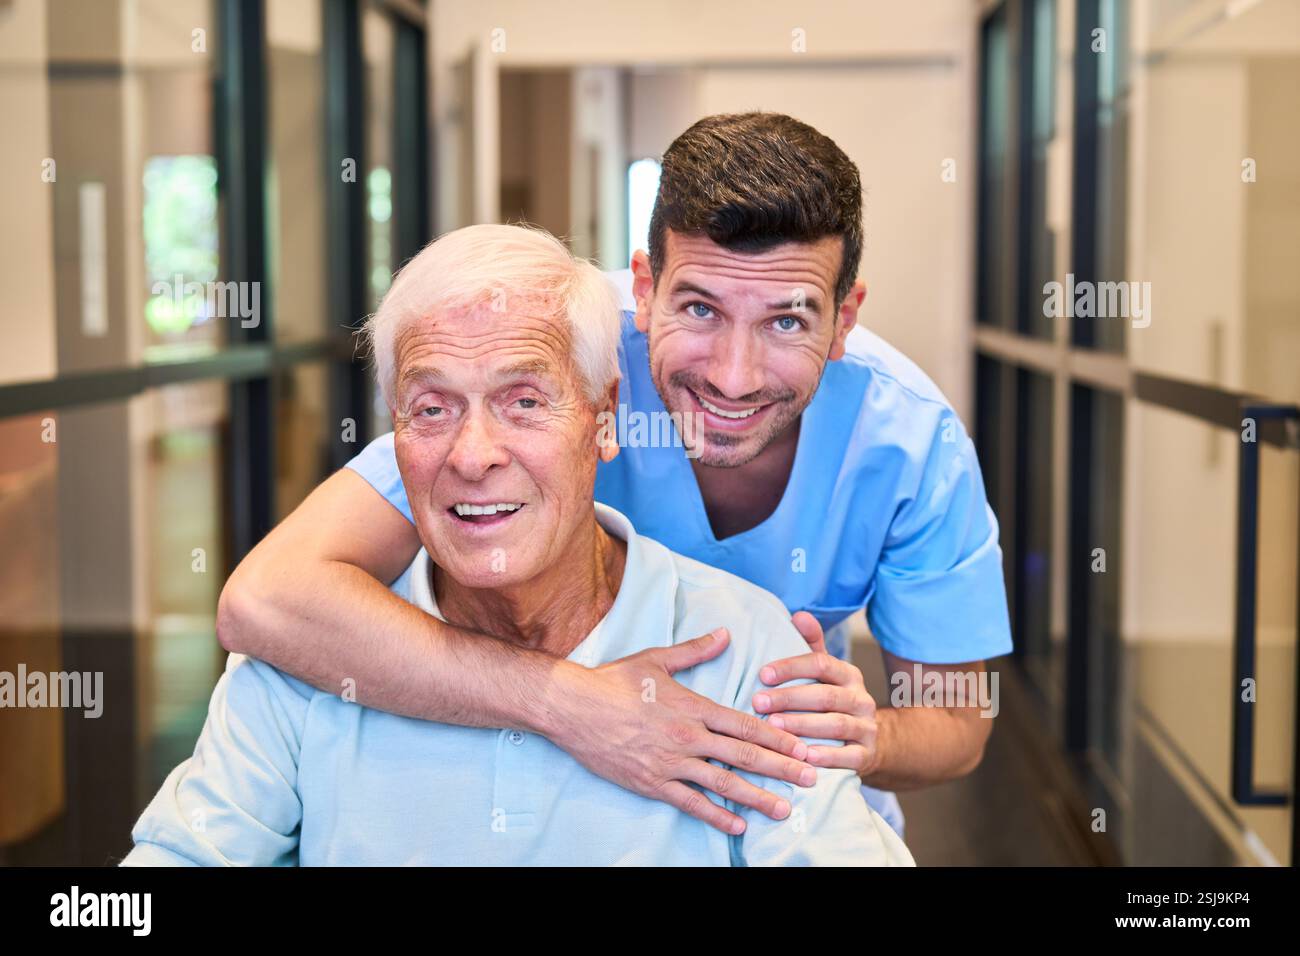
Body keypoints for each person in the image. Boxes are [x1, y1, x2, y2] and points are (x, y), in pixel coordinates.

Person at [217, 112, 1013, 839]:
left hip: (778, 788)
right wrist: (568, 702)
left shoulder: (912, 443)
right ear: (643, 287)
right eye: (698, 309)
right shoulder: (557, 357)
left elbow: (958, 723)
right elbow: (267, 598)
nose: (733, 377)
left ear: (844, 318)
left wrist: (864, 737)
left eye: (786, 320)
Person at [123, 224, 913, 866]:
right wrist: (562, 702)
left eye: (524, 401)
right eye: (431, 409)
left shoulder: (746, 653)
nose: (472, 456)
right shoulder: (311, 656)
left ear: (605, 420)